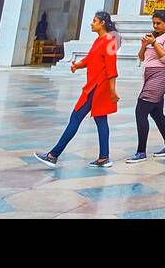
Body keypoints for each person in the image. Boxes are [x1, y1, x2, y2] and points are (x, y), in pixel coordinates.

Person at [33, 12, 119, 168]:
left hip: (98, 87)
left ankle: (53, 155)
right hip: (94, 85)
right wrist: (78, 65)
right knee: (101, 120)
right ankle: (104, 157)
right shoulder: (99, 40)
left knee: (75, 118)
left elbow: (111, 67)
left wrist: (112, 90)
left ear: (103, 23)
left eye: (94, 21)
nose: (91, 24)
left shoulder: (109, 41)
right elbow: (92, 58)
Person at [125, 10, 165, 164]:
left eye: (159, 23)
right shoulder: (154, 36)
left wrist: (154, 43)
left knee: (140, 111)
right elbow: (141, 57)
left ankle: (141, 152)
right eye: (153, 23)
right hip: (149, 75)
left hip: (161, 76)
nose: (155, 26)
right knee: (156, 113)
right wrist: (144, 45)